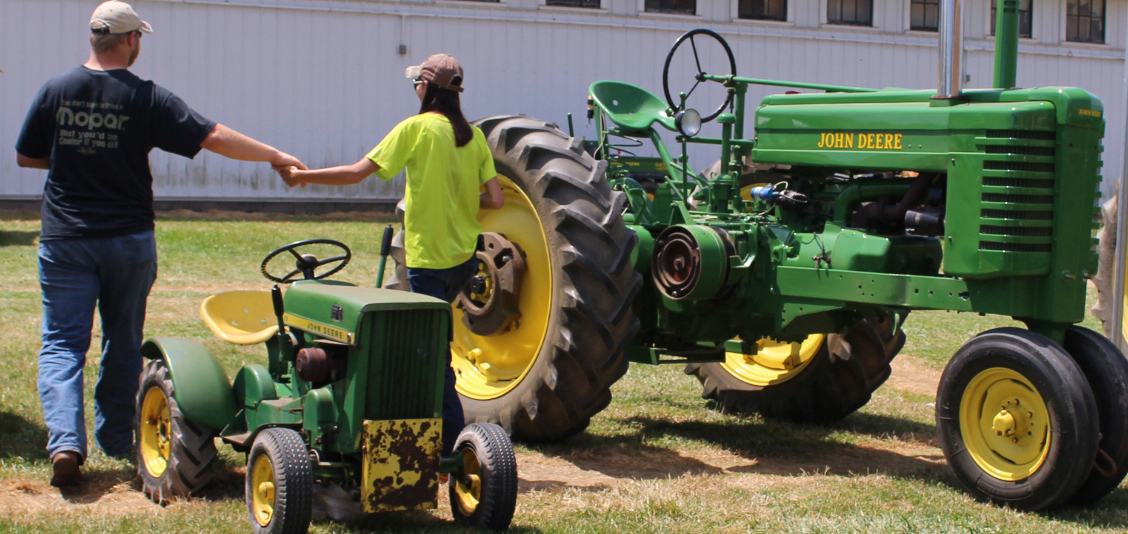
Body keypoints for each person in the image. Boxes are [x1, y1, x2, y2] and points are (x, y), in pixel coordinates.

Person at [15, 0, 306, 488]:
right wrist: (275, 155)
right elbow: (213, 136)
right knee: (122, 339)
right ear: (131, 40)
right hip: (128, 240)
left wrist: (77, 158)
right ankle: (116, 439)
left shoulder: (55, 90)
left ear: (95, 38)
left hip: (66, 238)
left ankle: (66, 443)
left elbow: (27, 156)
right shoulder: (146, 97)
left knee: (62, 343)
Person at [280, 53, 503, 456]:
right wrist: (458, 202)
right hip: (463, 260)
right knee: (431, 346)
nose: (415, 87)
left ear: (426, 88)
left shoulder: (415, 129)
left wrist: (302, 177)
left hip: (428, 261)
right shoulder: (473, 137)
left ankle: (449, 445)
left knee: (428, 357)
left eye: (417, 82)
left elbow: (356, 173)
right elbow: (496, 199)